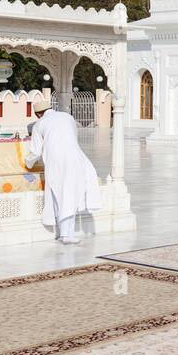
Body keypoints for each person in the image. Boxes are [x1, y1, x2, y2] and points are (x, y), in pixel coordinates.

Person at [24, 94, 103, 244]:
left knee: (59, 194)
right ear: (50, 108)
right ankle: (66, 233)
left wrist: (27, 164)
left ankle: (66, 234)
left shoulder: (39, 124)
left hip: (57, 161)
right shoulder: (67, 117)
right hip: (76, 157)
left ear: (37, 114)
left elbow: (35, 152)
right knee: (70, 193)